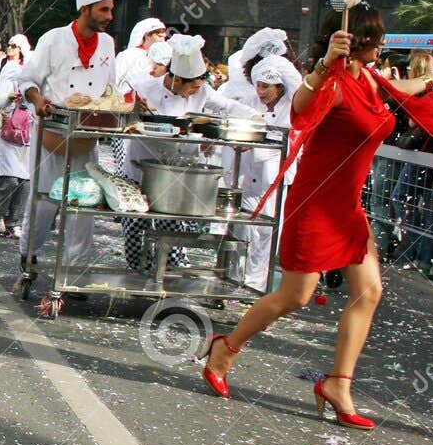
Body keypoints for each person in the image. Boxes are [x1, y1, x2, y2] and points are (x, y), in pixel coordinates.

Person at [199, 0, 433, 427]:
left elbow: (400, 90)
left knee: (369, 292)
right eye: (374, 38)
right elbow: (300, 109)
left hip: (347, 207)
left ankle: (338, 383)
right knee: (295, 295)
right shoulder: (331, 82)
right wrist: (323, 64)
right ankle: (225, 349)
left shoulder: (369, 78)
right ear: (354, 41)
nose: (381, 45)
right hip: (315, 203)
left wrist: (430, 80)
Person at [119, 33, 258, 273]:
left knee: (172, 231)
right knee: (135, 230)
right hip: (141, 171)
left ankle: (172, 275)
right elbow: (118, 114)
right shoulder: (143, 88)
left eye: (198, 87)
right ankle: (138, 273)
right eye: (191, 87)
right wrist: (130, 110)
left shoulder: (203, 92)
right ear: (176, 80)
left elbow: (229, 106)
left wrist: (254, 117)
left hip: (177, 175)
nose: (195, 92)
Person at [19, 0, 117, 278]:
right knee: (44, 200)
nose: (109, 16)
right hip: (52, 133)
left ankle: (75, 271)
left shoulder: (107, 44)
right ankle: (28, 256)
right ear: (85, 9)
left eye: (110, 9)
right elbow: (27, 80)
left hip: (87, 135)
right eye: (103, 10)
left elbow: (110, 89)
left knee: (85, 204)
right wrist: (37, 100)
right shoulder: (54, 39)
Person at [234, 53, 302, 292]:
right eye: (258, 85)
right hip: (247, 174)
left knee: (267, 234)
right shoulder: (249, 102)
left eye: (266, 87)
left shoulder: (292, 107)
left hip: (274, 178)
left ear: (280, 87)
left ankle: (257, 285)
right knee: (241, 228)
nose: (260, 91)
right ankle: (234, 279)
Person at [0, 34, 32, 239]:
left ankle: (14, 220)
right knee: (9, 178)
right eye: (9, 45)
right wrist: (8, 99)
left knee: (25, 181)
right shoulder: (4, 68)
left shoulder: (29, 68)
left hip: (27, 132)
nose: (10, 48)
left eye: (15, 46)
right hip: (9, 129)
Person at [113, 16, 168, 93]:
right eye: (159, 36)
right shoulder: (128, 55)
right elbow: (114, 81)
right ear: (147, 35)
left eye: (164, 37)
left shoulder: (165, 57)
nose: (162, 40)